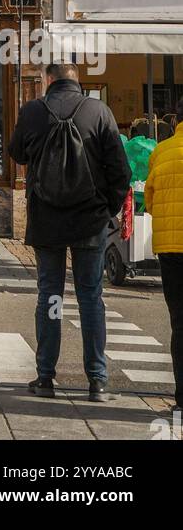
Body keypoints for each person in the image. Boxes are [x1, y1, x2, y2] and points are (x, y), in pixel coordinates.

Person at [8, 62, 131, 402]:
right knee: (91, 298)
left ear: (48, 80)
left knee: (50, 295)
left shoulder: (33, 111)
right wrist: (107, 210)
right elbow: (120, 169)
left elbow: (16, 152)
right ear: (78, 81)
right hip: (89, 221)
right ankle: (98, 381)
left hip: (46, 220)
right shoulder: (98, 111)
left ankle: (45, 377)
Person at [144, 96, 183, 413]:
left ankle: (182, 396)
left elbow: (153, 203)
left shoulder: (161, 151)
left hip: (171, 248)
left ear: (175, 122)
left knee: (179, 323)